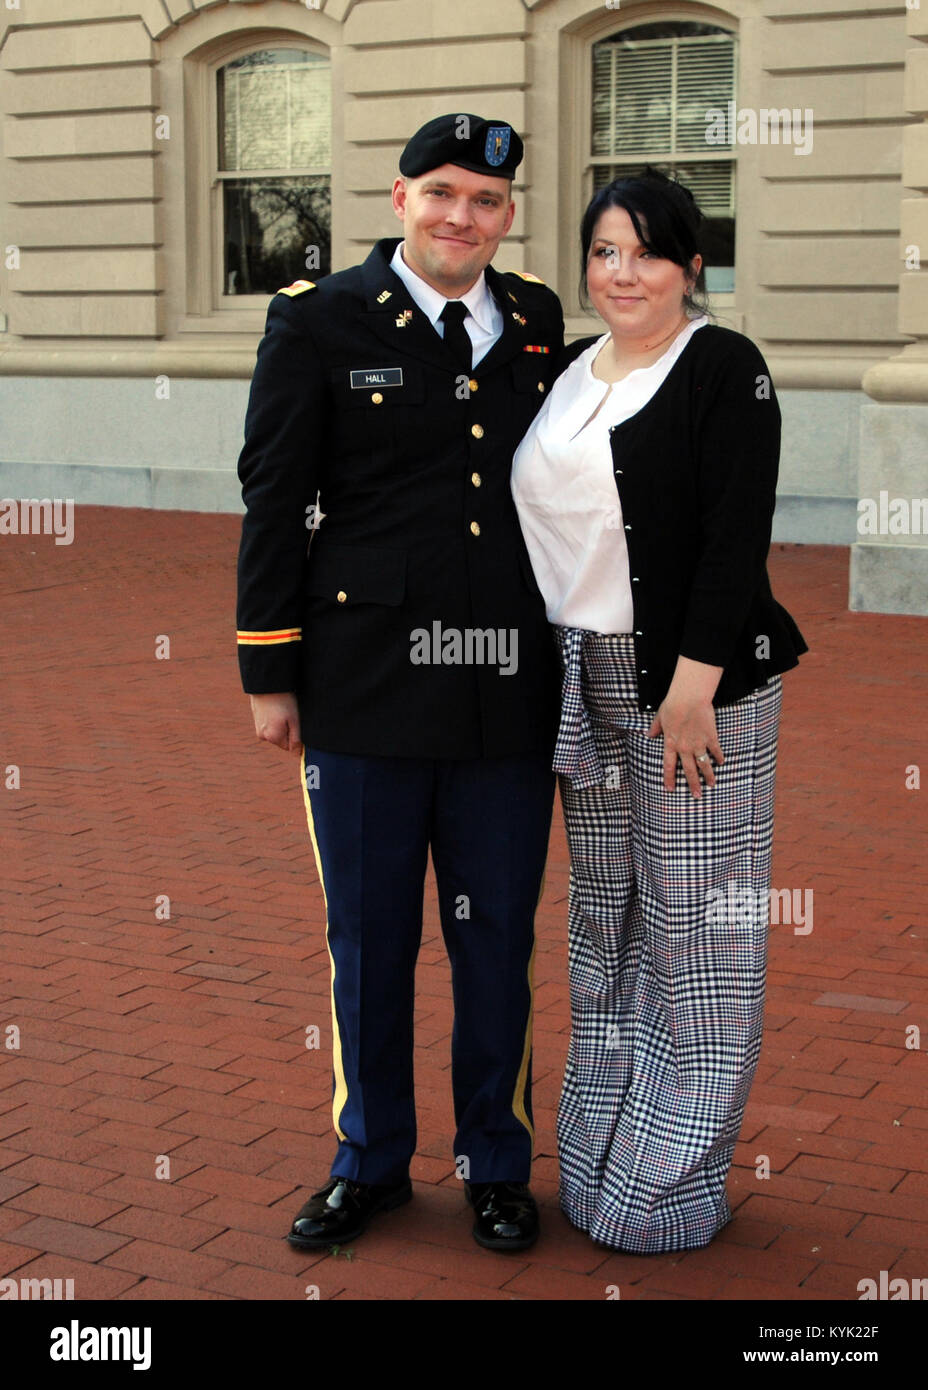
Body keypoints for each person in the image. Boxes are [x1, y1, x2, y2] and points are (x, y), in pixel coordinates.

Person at [235, 114, 565, 1252]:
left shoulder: (533, 320)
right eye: (440, 193)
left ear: (506, 215)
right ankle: (369, 1161)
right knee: (369, 941)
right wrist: (268, 671)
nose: (459, 216)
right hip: (366, 688)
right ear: (397, 198)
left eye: (483, 199)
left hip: (504, 693)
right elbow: (274, 496)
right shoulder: (316, 320)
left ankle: (494, 1161)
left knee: (496, 942)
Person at [510, 168, 808, 1253]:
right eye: (602, 251)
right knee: (606, 924)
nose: (620, 272)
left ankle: (668, 1185)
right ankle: (599, 1157)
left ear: (691, 263)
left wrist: (693, 685)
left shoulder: (722, 367)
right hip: (583, 682)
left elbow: (736, 533)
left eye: (644, 250)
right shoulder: (571, 369)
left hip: (689, 688)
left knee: (696, 935)